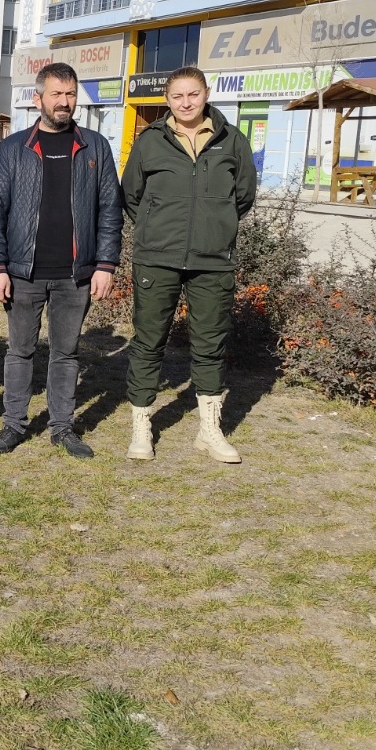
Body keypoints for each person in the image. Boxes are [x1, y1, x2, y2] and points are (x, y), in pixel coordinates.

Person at [0, 62, 122, 459]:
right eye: (56, 93)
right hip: (23, 272)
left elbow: (110, 209)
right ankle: (13, 425)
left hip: (75, 275)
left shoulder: (95, 146)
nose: (64, 101)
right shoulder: (13, 149)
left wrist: (105, 264)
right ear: (38, 98)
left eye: (70, 94)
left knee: (66, 353)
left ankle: (62, 428)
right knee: (19, 351)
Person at [121, 65, 258, 463]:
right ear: (167, 100)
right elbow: (131, 195)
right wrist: (157, 227)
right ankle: (141, 427)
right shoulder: (150, 141)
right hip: (157, 258)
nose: (186, 103)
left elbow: (244, 196)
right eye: (178, 96)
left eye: (193, 94)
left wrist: (215, 227)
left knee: (210, 344)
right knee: (148, 341)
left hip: (213, 261)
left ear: (206, 94)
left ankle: (209, 431)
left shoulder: (232, 140)